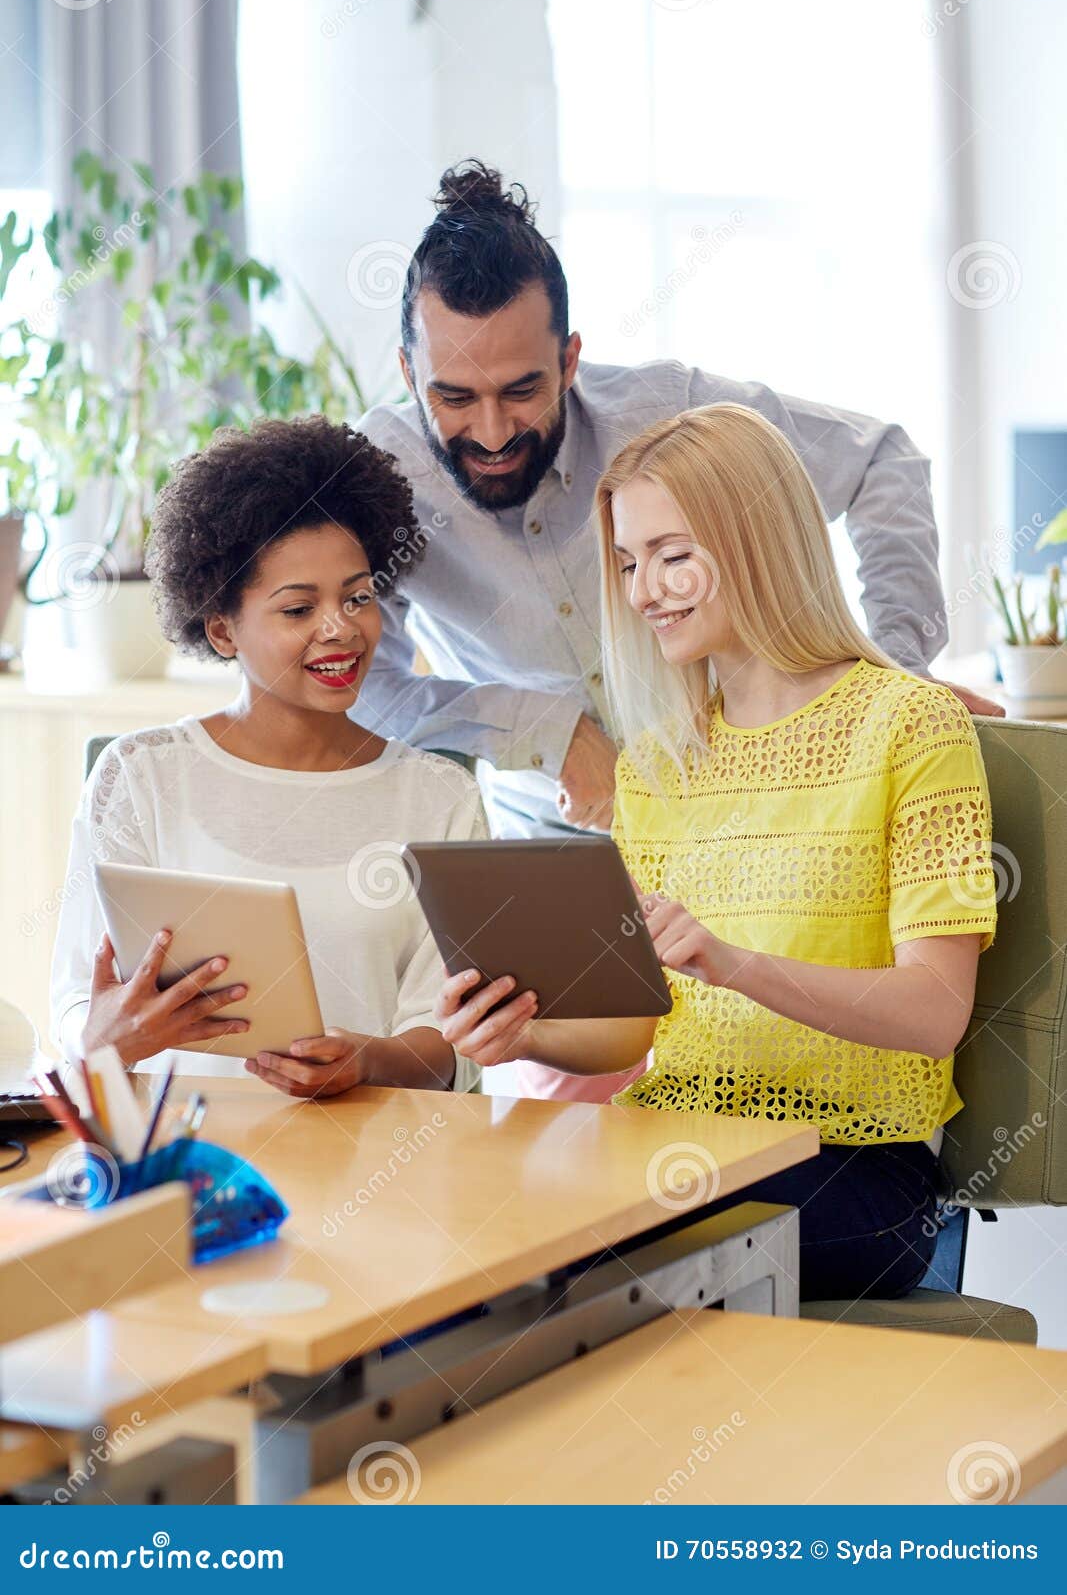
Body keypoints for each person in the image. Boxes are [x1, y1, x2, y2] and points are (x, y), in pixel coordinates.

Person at [354, 158, 1002, 1105]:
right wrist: (541, 731)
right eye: (453, 398)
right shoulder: (377, 478)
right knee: (549, 1161)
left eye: (523, 391)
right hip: (569, 853)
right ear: (409, 373)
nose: (491, 430)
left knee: (734, 1102)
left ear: (570, 360)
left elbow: (882, 461)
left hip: (773, 853)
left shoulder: (674, 415)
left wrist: (883, 682)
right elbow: (360, 677)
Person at [432, 404, 998, 1300]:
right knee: (465, 1211)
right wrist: (517, 1033)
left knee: (565, 1251)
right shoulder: (656, 765)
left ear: (758, 540)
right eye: (626, 562)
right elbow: (631, 1026)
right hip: (676, 1137)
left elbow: (934, 1012)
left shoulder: (910, 726)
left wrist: (732, 964)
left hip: (855, 1170)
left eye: (671, 553)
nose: (643, 589)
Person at [50, 416, 485, 1098]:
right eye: (298, 609)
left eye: (357, 597)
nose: (340, 628)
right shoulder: (141, 777)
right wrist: (106, 1038)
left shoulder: (437, 797)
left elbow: (455, 1050)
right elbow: (78, 1004)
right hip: (182, 1165)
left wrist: (367, 1061)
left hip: (376, 1168)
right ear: (223, 630)